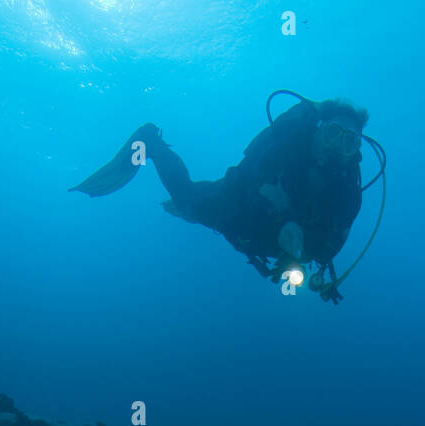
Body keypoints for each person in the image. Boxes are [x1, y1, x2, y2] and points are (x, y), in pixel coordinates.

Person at [70, 96, 370, 301]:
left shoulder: (346, 193)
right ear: (317, 131)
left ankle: (190, 209)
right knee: (186, 198)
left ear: (355, 150)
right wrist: (281, 220)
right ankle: (149, 141)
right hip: (232, 205)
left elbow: (329, 248)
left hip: (258, 242)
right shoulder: (287, 149)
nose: (335, 147)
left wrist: (299, 241)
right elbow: (251, 172)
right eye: (332, 133)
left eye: (348, 141)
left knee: (190, 207)